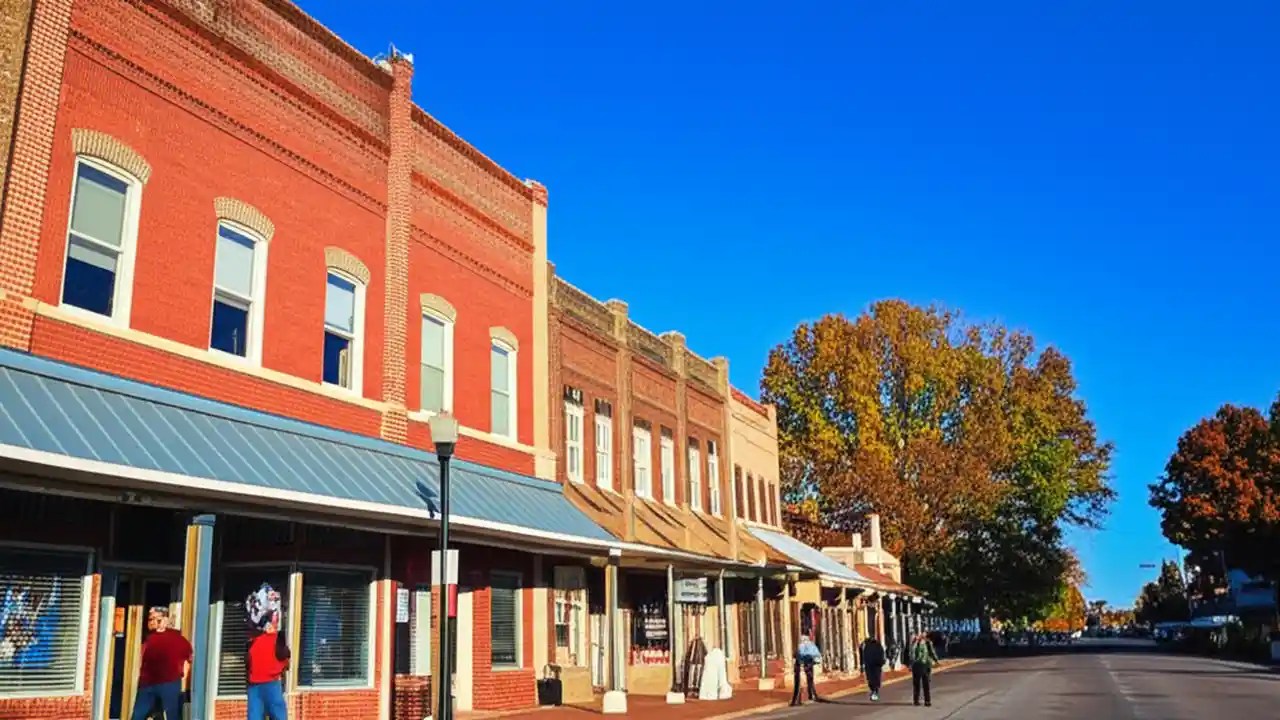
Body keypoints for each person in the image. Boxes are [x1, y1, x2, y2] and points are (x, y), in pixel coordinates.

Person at [131, 606, 191, 720]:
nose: (153, 622)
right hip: (147, 683)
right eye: (150, 619)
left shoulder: (178, 638)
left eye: (156, 619)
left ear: (165, 620)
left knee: (172, 715)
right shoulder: (148, 639)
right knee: (138, 715)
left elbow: (187, 660)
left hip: (170, 682)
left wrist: (183, 681)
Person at [245, 584, 290, 720]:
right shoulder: (275, 638)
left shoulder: (252, 640)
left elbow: (248, 663)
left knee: (255, 715)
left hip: (256, 685)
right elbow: (285, 659)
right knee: (278, 716)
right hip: (270, 684)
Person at [910, 631, 940, 707]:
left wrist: (935, 660)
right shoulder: (920, 643)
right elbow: (912, 654)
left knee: (920, 684)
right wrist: (936, 660)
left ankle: (919, 700)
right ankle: (924, 700)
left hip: (920, 665)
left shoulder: (917, 643)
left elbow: (911, 655)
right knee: (924, 684)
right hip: (922, 665)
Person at [789, 634, 821, 706]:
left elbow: (798, 655)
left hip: (801, 665)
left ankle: (797, 700)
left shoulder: (801, 646)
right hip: (810, 664)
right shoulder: (811, 645)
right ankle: (812, 695)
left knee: (800, 683)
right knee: (810, 680)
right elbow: (816, 655)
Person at [860, 635, 886, 702]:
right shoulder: (876, 646)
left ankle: (874, 692)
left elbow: (864, 657)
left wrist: (863, 665)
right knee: (875, 680)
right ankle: (874, 692)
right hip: (874, 666)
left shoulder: (870, 647)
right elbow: (882, 654)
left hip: (872, 666)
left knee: (872, 680)